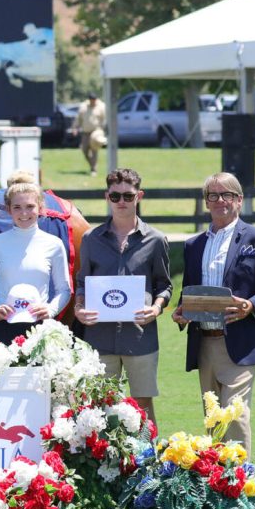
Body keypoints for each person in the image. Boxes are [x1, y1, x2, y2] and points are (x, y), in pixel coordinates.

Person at [171, 172, 255, 454]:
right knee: (213, 416)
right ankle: (217, 486)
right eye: (213, 195)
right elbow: (190, 288)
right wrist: (182, 311)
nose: (220, 200)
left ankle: (241, 485)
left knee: (235, 415)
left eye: (227, 195)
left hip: (242, 340)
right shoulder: (193, 245)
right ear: (206, 202)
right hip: (204, 341)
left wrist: (251, 305)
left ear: (239, 199)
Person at [73, 168, 171, 426]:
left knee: (143, 403)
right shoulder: (91, 239)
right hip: (99, 336)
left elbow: (164, 285)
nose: (122, 202)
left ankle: (148, 462)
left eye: (128, 196)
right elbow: (83, 281)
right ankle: (104, 463)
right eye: (115, 196)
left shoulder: (156, 240)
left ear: (139, 196)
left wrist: (157, 308)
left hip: (140, 335)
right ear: (107, 197)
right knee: (100, 404)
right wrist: (79, 308)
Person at [0, 171, 72, 344]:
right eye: (17, 207)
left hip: (40, 329)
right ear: (8, 209)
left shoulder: (54, 244)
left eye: (30, 206)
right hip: (3, 328)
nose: (24, 213)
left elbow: (64, 289)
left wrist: (50, 310)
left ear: (40, 207)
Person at [71, 92, 107, 176]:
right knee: (84, 150)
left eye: (94, 100)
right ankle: (92, 164)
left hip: (96, 132)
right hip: (85, 132)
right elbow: (78, 118)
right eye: (91, 100)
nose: (92, 102)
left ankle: (93, 169)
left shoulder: (101, 106)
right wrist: (75, 128)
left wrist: (103, 131)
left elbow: (105, 119)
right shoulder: (83, 106)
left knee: (94, 150)